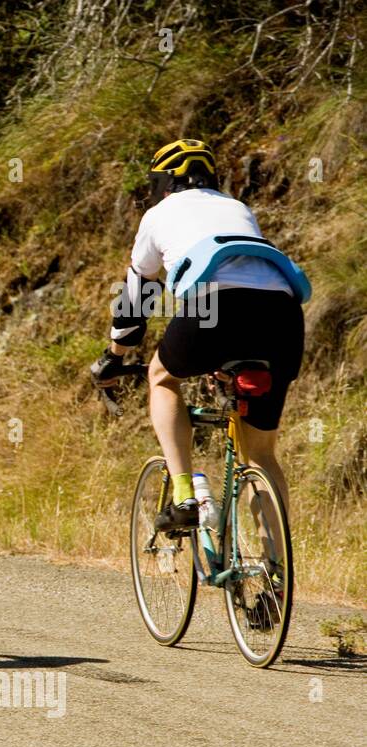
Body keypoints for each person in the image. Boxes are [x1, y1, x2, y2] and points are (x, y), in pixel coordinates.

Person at [93, 139, 310, 536]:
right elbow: (249, 279)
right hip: (283, 314)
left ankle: (184, 497)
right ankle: (275, 578)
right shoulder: (236, 207)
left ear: (166, 181)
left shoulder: (159, 214)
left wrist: (114, 354)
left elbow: (139, 296)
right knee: (261, 454)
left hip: (214, 306)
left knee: (162, 377)